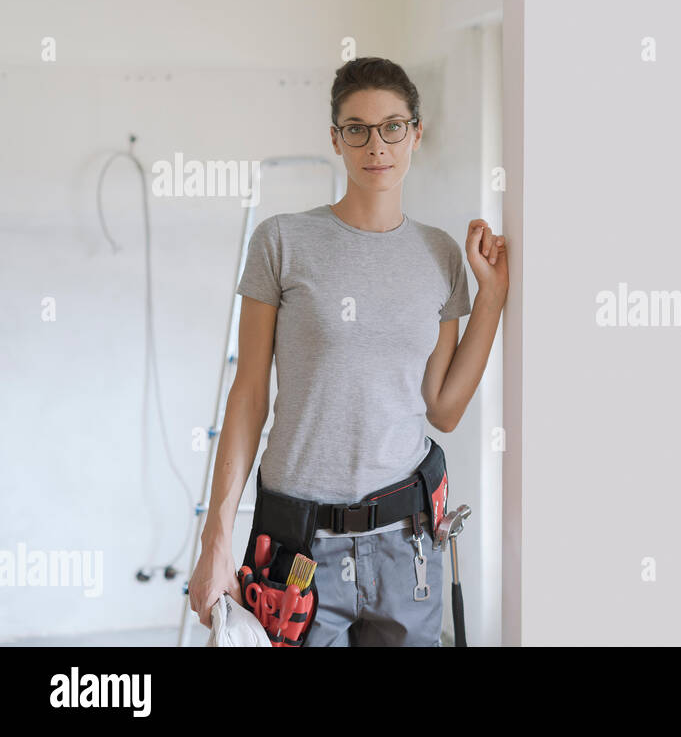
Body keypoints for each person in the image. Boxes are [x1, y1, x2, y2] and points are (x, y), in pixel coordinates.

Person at [187, 57, 507, 645]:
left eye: (392, 126)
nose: (376, 144)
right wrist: (216, 540)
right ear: (336, 139)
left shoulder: (439, 256)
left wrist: (492, 295)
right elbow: (249, 393)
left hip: (405, 546)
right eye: (356, 128)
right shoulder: (282, 242)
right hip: (296, 546)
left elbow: (444, 409)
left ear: (416, 133)